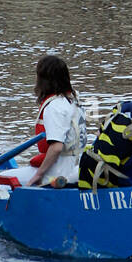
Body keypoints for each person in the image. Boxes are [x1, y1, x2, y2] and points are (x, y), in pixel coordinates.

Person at [12, 55, 88, 187]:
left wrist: (38, 175)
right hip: (75, 168)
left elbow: (56, 147)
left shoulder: (54, 107)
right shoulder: (75, 99)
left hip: (56, 172)